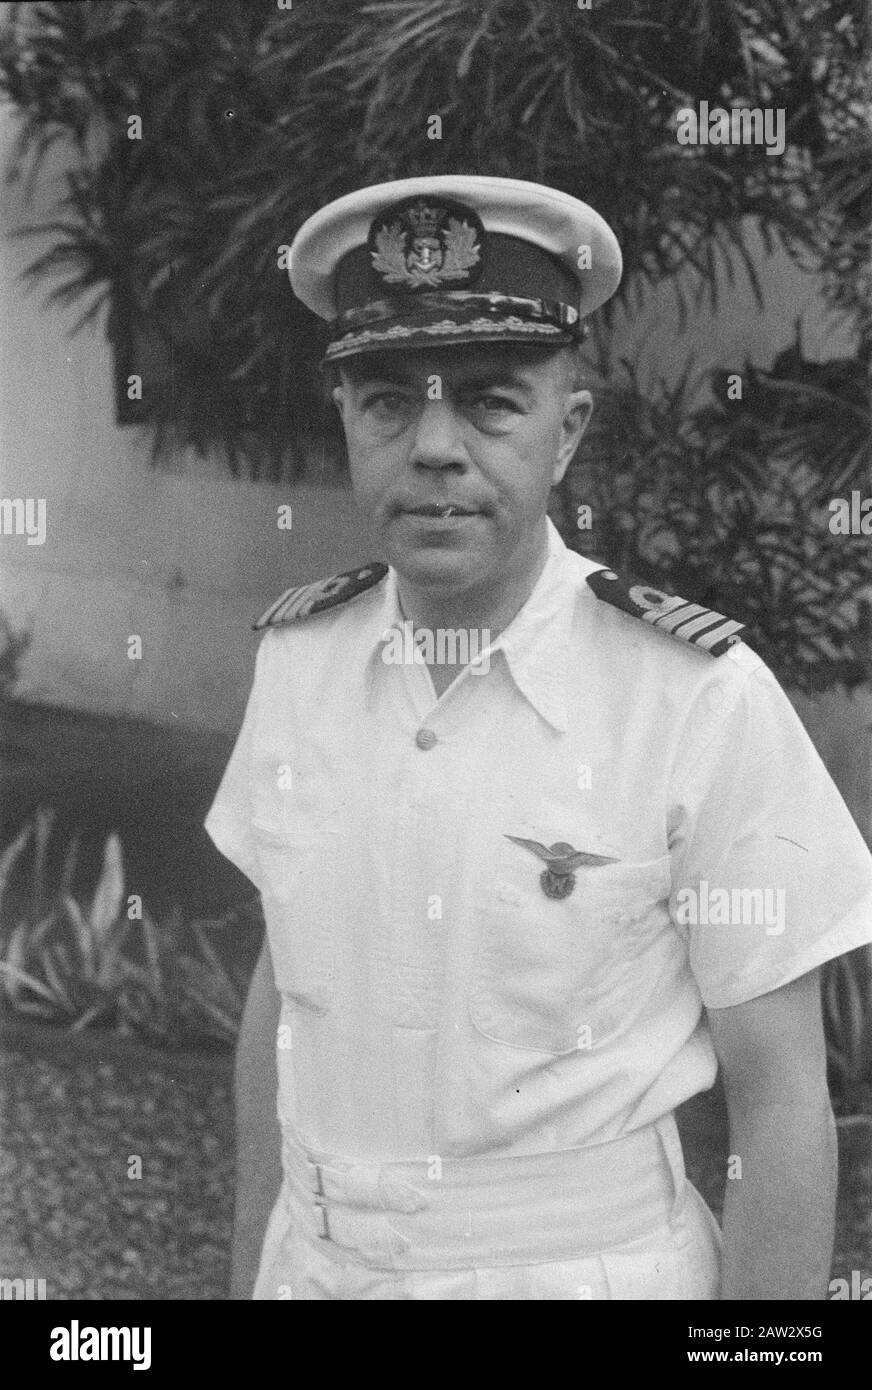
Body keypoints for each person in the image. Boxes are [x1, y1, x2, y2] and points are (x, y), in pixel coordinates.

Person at [205, 175, 872, 1300]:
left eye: (488, 402)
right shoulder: (297, 664)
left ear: (564, 434)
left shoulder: (693, 701)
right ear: (347, 421)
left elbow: (779, 1103)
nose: (432, 448)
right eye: (385, 403)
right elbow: (284, 1000)